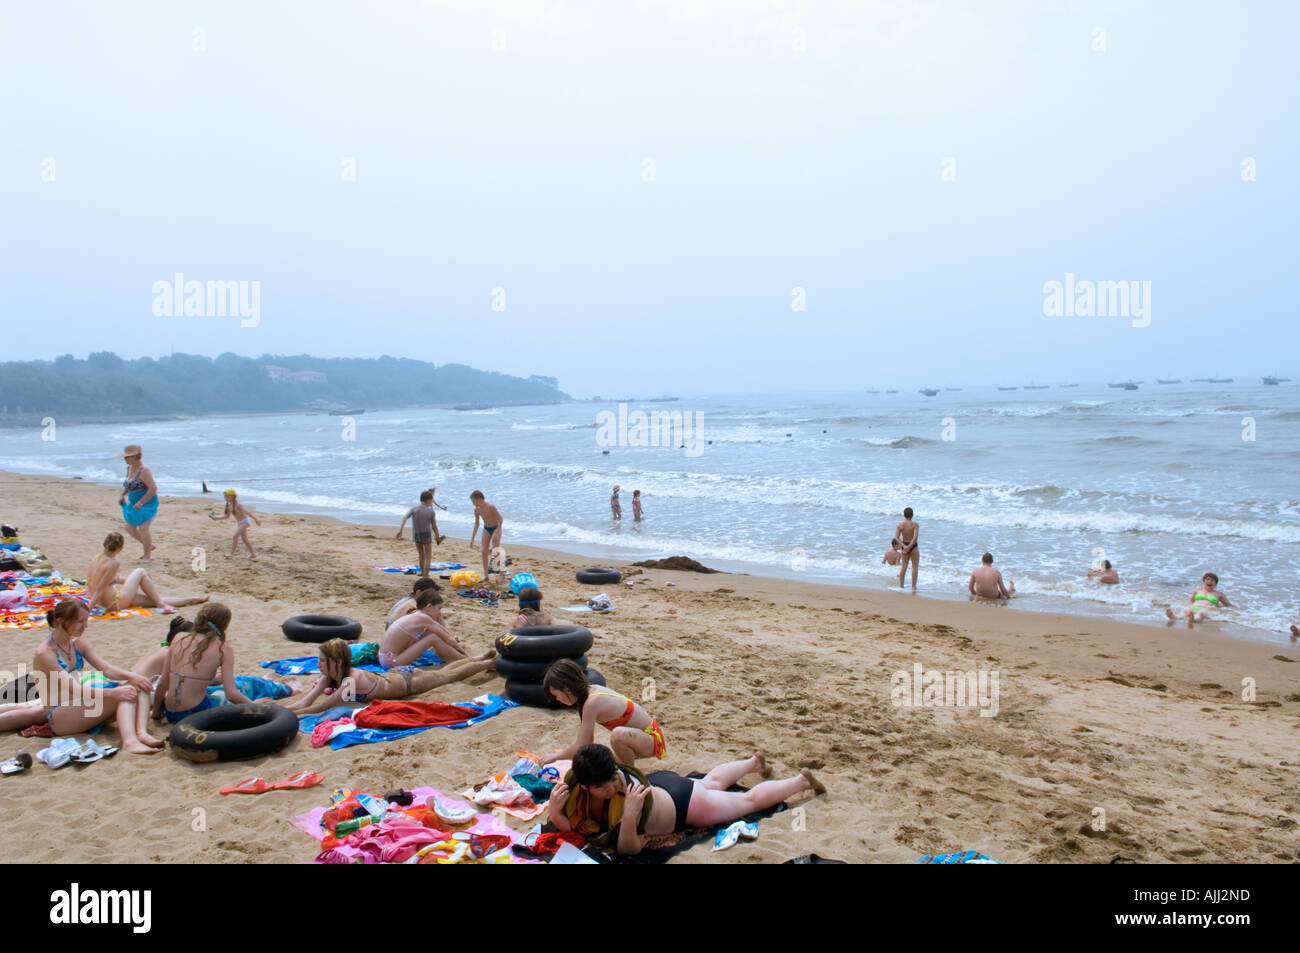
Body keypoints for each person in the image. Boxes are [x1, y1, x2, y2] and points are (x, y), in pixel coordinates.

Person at [547, 744, 824, 855]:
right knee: (710, 783)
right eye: (602, 785)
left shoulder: (627, 792)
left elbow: (629, 851)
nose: (611, 786)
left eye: (612, 778)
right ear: (583, 786)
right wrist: (557, 812)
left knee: (747, 803)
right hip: (663, 786)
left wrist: (630, 815)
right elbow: (574, 831)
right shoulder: (573, 793)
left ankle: (801, 782)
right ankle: (753, 762)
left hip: (681, 806)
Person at [0, 599, 163, 754]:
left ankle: (141, 733)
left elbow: (106, 668)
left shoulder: (78, 643)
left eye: (86, 621)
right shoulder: (46, 653)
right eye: (80, 621)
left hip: (75, 704)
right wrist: (113, 693)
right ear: (61, 621)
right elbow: (72, 687)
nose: (85, 626)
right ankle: (130, 742)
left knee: (138, 684)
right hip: (59, 714)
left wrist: (133, 676)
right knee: (123, 693)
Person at [281, 638, 496, 716]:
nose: (317, 665)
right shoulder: (331, 678)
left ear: (336, 663)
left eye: (321, 661)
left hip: (407, 682)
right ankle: (479, 656)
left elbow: (321, 706)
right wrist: (279, 710)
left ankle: (488, 663)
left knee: (449, 677)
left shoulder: (350, 680)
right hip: (395, 676)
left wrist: (293, 715)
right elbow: (307, 701)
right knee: (443, 673)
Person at [540, 659, 666, 764]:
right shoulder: (590, 693)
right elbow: (587, 744)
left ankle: (630, 775)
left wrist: (553, 757)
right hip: (639, 738)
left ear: (566, 689)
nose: (557, 699)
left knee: (618, 735)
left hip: (652, 740)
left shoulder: (592, 702)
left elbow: (581, 746)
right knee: (597, 757)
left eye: (556, 695)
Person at [154, 603, 261, 723]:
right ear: (224, 626)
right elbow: (231, 694)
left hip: (170, 713)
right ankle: (284, 688)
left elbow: (163, 682)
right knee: (240, 685)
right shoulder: (223, 649)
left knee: (213, 689)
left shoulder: (179, 637)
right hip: (195, 712)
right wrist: (256, 707)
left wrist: (156, 712)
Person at [87, 533, 208, 613]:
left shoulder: (96, 557)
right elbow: (100, 589)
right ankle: (160, 604)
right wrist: (88, 610)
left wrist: (135, 581)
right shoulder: (113, 563)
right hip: (113, 603)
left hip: (104, 602)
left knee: (152, 600)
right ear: (121, 548)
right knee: (140, 571)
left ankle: (192, 599)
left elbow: (108, 581)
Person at [378, 590, 468, 666]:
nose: (439, 612)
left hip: (386, 657)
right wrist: (461, 650)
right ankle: (464, 660)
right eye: (439, 608)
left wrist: (454, 643)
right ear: (429, 606)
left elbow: (442, 630)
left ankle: (453, 655)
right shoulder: (423, 618)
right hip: (391, 660)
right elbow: (448, 639)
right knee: (433, 638)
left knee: (433, 633)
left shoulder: (416, 614)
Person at [117, 444, 159, 561]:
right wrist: (122, 495)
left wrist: (141, 502)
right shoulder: (129, 468)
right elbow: (129, 485)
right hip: (133, 503)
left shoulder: (144, 470)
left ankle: (147, 556)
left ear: (135, 456)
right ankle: (149, 546)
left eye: (127, 457)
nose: (125, 459)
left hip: (147, 503)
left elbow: (153, 488)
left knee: (143, 528)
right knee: (129, 527)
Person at [396, 489, 445, 578]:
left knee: (421, 555)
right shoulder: (431, 511)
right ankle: (426, 575)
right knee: (428, 556)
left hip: (416, 534)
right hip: (426, 535)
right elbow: (434, 526)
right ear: (429, 500)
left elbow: (405, 518)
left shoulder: (414, 509)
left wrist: (400, 530)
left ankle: (422, 572)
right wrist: (438, 537)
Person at [211, 488, 262, 559]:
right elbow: (226, 516)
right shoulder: (229, 506)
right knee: (245, 539)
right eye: (225, 496)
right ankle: (253, 554)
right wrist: (216, 518)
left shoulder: (238, 505)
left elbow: (248, 512)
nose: (226, 498)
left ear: (233, 496)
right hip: (240, 523)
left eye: (228, 496)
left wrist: (256, 519)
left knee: (235, 536)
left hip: (245, 522)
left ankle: (231, 553)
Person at [1166, 573, 1233, 626]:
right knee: (1186, 610)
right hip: (1195, 606)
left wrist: (1239, 613)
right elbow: (1192, 600)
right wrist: (1187, 605)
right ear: (1204, 581)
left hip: (1208, 609)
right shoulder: (1198, 589)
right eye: (1208, 579)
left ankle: (1193, 619)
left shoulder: (1219, 594)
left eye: (1212, 580)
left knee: (1201, 613)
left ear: (1215, 584)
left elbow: (1228, 605)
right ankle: (1175, 617)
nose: (1209, 582)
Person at [469, 490, 503, 580]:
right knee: (484, 551)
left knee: (495, 550)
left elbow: (500, 519)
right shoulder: (477, 510)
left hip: (496, 527)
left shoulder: (490, 506)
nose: (472, 503)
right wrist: (472, 539)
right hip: (486, 528)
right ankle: (486, 575)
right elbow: (477, 524)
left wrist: (497, 530)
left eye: (473, 501)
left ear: (479, 499)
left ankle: (501, 571)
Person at [896, 507, 919, 590]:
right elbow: (915, 537)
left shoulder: (901, 525)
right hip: (913, 546)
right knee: (915, 567)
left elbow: (896, 538)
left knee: (904, 566)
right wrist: (910, 547)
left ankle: (901, 585)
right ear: (912, 515)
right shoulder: (915, 525)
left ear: (904, 515)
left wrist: (904, 546)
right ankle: (913, 586)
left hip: (904, 545)